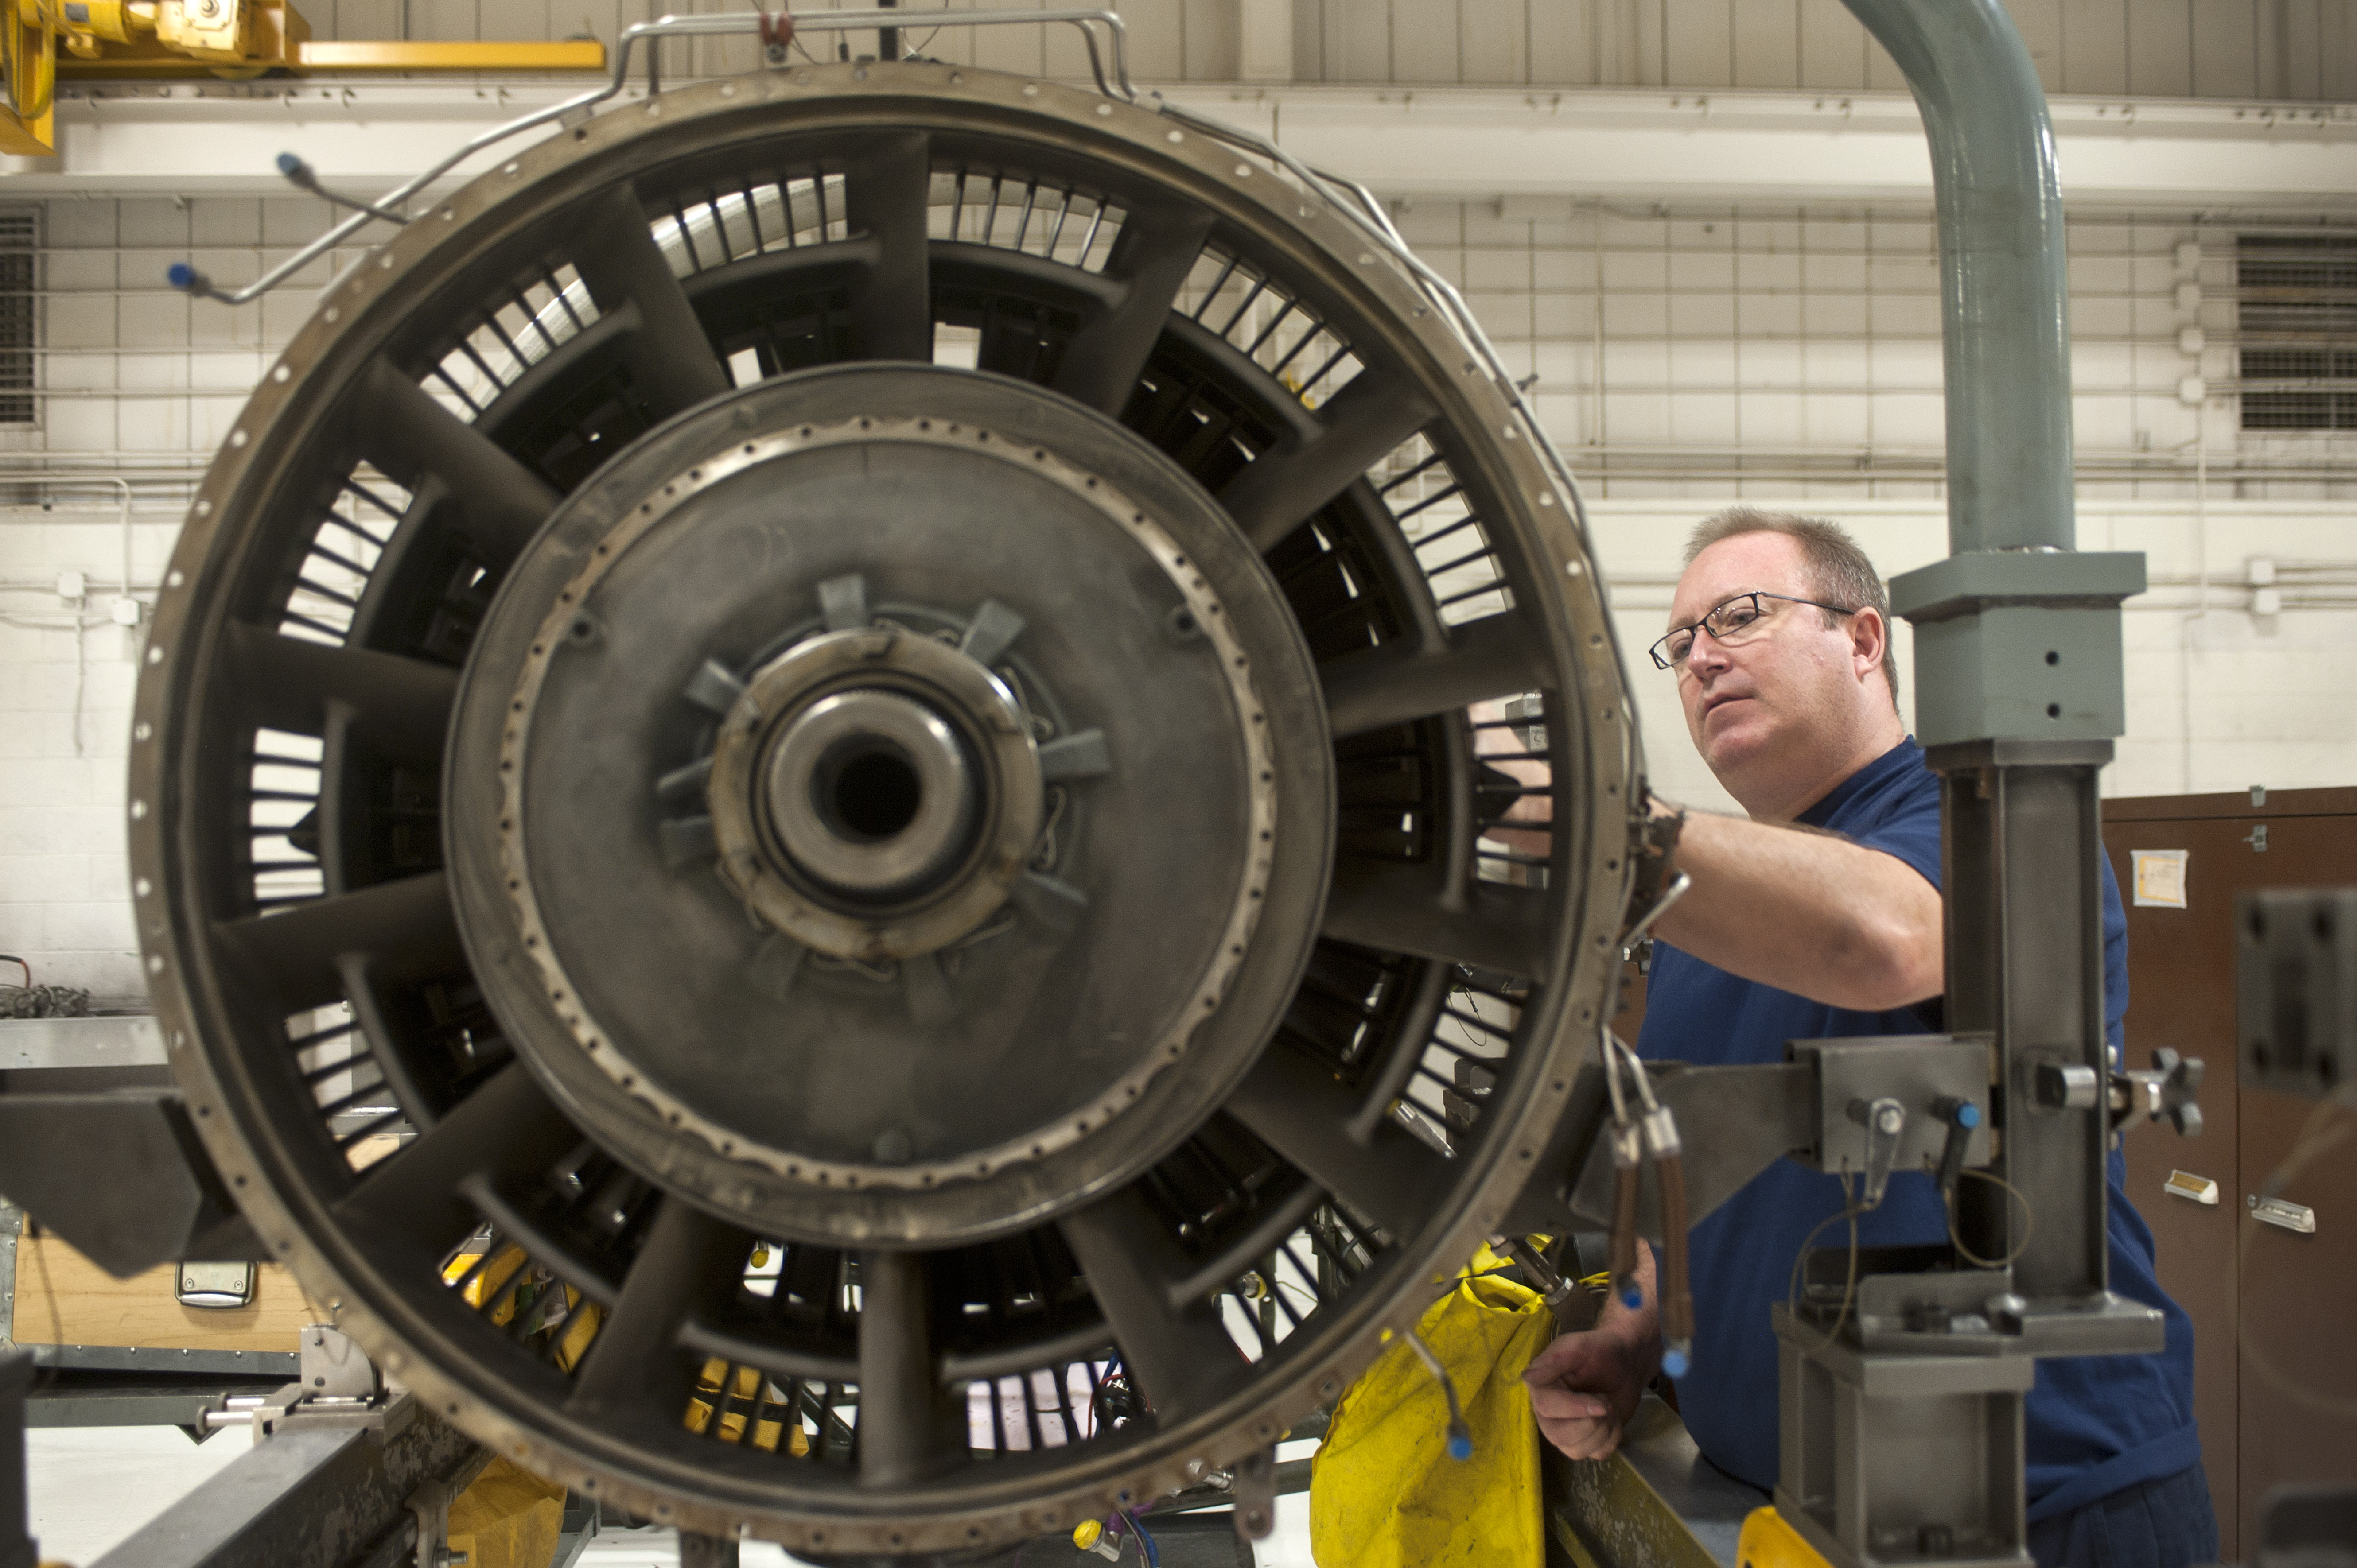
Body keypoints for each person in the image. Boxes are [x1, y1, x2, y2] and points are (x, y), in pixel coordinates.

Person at [1513, 509, 2214, 1567]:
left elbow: (1882, 938)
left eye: (1739, 616)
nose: (1700, 656)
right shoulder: (1708, 908)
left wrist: (1587, 820)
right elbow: (1686, 1175)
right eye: (1679, 642)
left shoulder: (1979, 825)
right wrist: (1628, 1333)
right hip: (1787, 1516)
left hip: (2046, 1504)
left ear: (1863, 640)